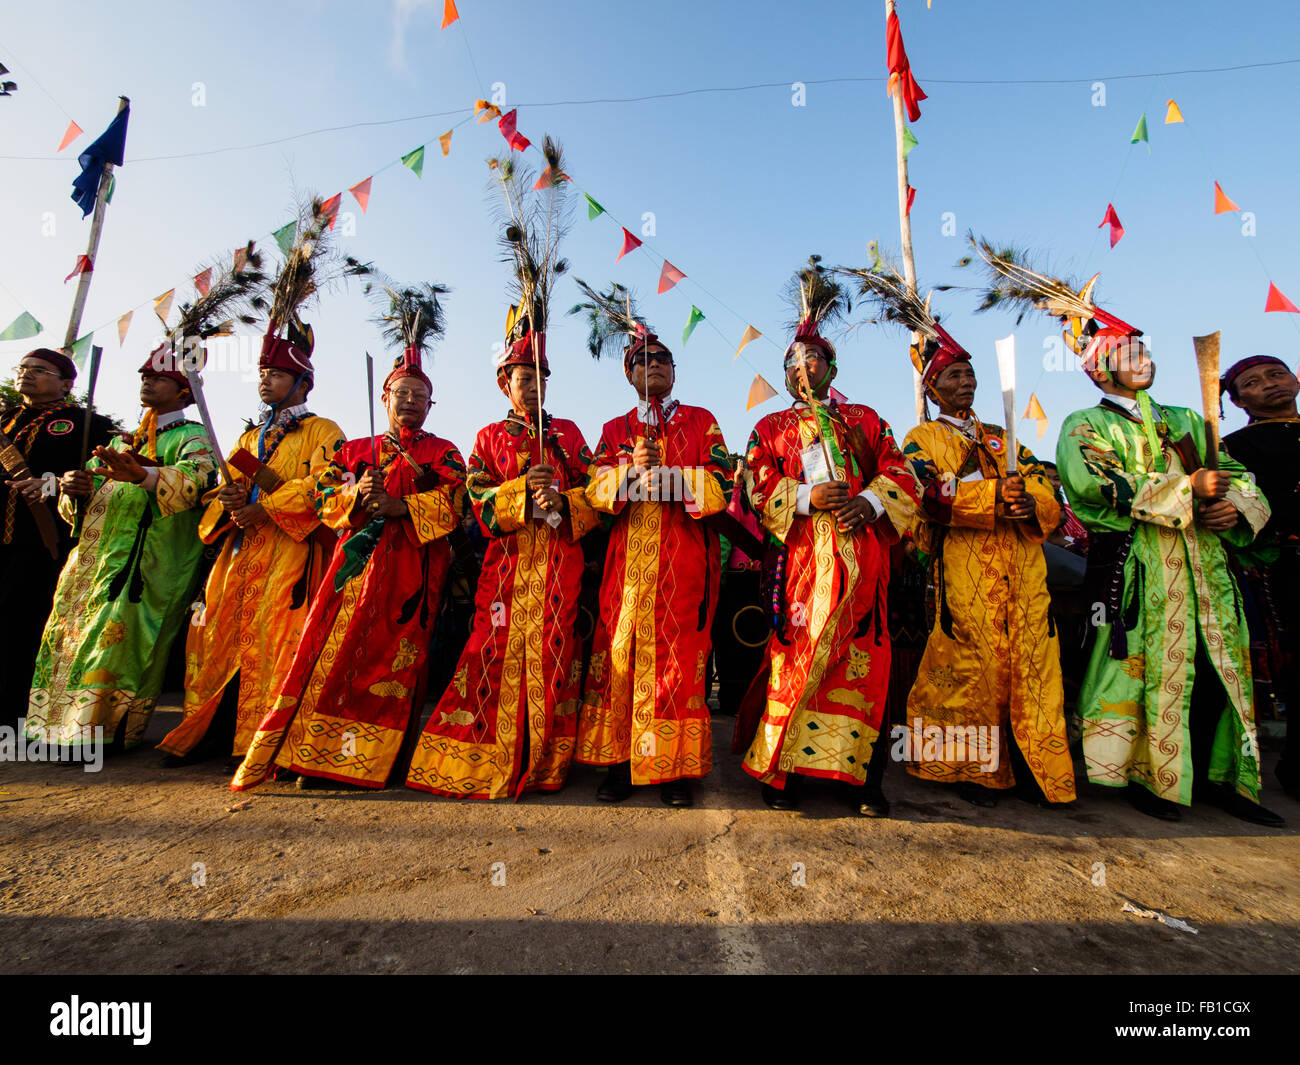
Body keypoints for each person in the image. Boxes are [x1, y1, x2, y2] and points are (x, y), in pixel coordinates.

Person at [972, 242, 1280, 824]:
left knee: (1219, 671)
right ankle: (1149, 776)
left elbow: (1241, 477)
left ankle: (1222, 779)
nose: (1142, 357)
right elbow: (1094, 488)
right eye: (1127, 351)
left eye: (1143, 348)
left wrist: (1233, 508)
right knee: (1143, 669)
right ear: (1098, 366)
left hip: (1209, 568)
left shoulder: (1189, 419)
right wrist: (1193, 493)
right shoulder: (1084, 424)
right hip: (1140, 567)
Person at [232, 304, 466, 791]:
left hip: (412, 571)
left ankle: (372, 761)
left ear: (431, 406)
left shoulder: (442, 450)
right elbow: (321, 495)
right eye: (401, 392)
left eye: (420, 396)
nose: (409, 401)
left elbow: (457, 502)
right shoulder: (356, 449)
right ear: (384, 397)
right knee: (332, 656)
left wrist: (401, 507)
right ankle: (311, 754)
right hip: (353, 569)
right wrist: (354, 495)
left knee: (392, 662)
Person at [735, 257, 919, 815]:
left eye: (812, 356)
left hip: (862, 563)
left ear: (831, 366)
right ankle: (780, 771)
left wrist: (867, 501)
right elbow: (754, 484)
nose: (802, 366)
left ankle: (862, 780)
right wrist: (803, 497)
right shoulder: (770, 428)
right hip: (802, 567)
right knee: (794, 658)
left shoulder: (865, 419)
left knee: (864, 666)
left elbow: (903, 470)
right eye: (793, 360)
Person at [407, 318, 598, 799]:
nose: (533, 387)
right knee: (489, 650)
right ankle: (485, 754)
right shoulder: (488, 437)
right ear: (504, 383)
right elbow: (474, 497)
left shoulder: (570, 434)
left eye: (541, 378)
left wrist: (564, 502)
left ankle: (545, 761)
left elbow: (597, 493)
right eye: (523, 378)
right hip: (507, 565)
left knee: (556, 651)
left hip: (559, 562)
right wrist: (522, 497)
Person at [892, 312, 1076, 808]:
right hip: (966, 564)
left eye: (970, 374)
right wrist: (994, 495)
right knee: (977, 665)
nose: (966, 382)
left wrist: (1028, 501)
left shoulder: (1003, 435)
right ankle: (971, 770)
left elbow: (1042, 483)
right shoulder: (922, 437)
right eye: (953, 375)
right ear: (932, 390)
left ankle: (1039, 769)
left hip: (1023, 565)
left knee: (1034, 663)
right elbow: (927, 491)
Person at [571, 281, 733, 807]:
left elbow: (726, 483)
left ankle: (675, 767)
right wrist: (627, 474)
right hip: (625, 567)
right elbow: (593, 491)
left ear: (674, 371)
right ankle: (621, 762)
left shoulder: (701, 421)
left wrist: (669, 479)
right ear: (629, 373)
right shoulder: (614, 428)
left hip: (683, 560)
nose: (654, 367)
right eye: (643, 360)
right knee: (621, 654)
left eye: (663, 360)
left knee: (680, 661)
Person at [158, 317, 343, 766]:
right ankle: (209, 734)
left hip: (290, 553)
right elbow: (219, 499)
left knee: (278, 641)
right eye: (262, 374)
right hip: (239, 553)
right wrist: (229, 498)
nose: (266, 381)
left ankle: (265, 742)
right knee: (218, 636)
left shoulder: (325, 431)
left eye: (277, 374)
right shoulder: (247, 438)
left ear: (303, 383)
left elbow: (328, 484)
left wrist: (268, 507)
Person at [26, 345, 216, 751]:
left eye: (159, 377)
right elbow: (80, 501)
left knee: (122, 641)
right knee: (71, 637)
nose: (147, 382)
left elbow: (196, 484)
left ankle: (102, 733)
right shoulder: (120, 439)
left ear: (184, 392)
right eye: (144, 376)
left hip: (148, 560)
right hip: (95, 558)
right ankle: (58, 727)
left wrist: (144, 475)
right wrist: (74, 491)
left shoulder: (193, 436)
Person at [1, 347, 113, 727]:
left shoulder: (86, 424)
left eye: (39, 370)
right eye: (23, 368)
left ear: (66, 384)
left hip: (43, 541)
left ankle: (20, 712)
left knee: (26, 621)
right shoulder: (4, 420)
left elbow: (100, 475)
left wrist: (50, 485)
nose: (27, 374)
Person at [1221, 355, 1300, 800]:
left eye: (1277, 374)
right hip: (1282, 562)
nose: (1269, 384)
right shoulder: (1234, 449)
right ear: (1237, 400)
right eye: (1253, 382)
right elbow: (1245, 512)